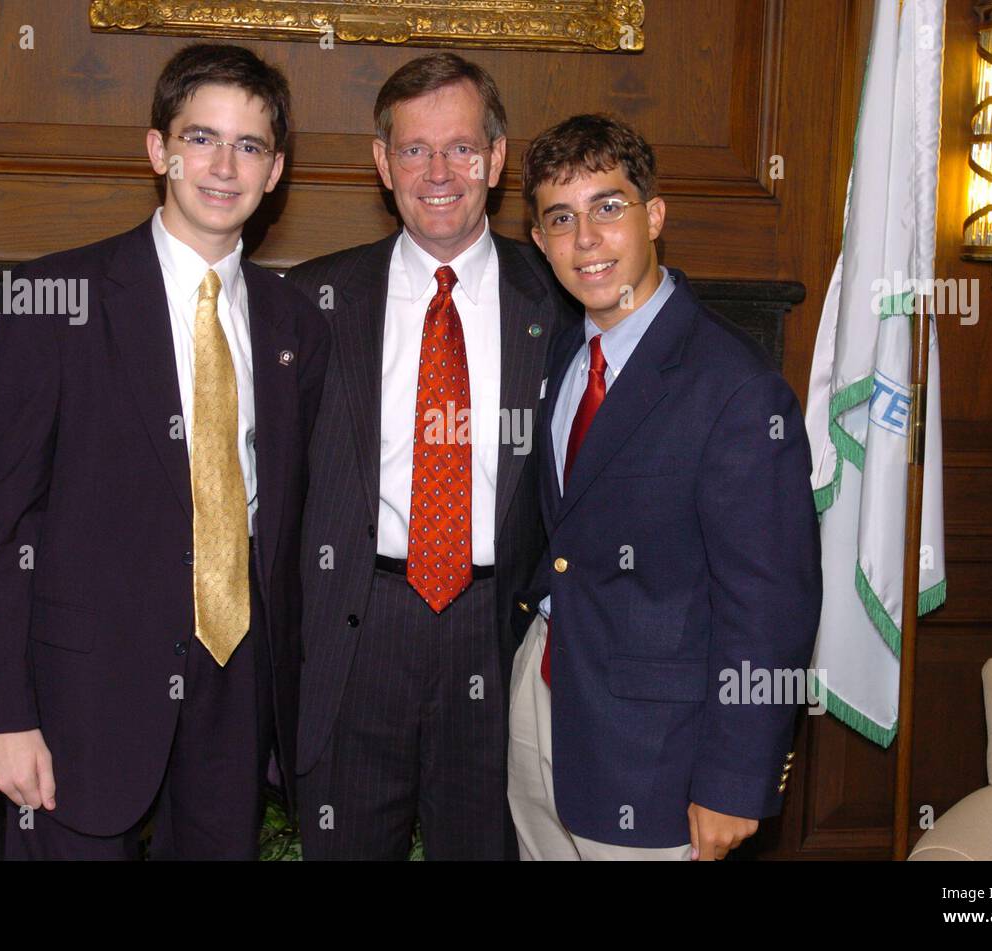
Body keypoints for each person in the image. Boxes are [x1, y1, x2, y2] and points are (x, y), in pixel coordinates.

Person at [0, 43, 330, 859]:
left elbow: (288, 519)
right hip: (80, 697)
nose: (223, 166)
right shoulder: (55, 301)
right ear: (158, 149)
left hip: (236, 691)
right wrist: (2, 711)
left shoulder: (295, 325)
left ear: (275, 173)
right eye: (201, 138)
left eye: (250, 146)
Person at [507, 113, 822, 860]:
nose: (585, 238)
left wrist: (737, 778)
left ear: (653, 215)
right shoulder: (559, 355)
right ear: (542, 240)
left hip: (655, 754)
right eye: (561, 218)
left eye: (608, 207)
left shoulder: (736, 388)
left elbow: (772, 604)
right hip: (541, 705)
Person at [284, 53, 574, 860]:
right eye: (415, 149)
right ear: (383, 163)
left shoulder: (561, 301)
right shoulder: (311, 303)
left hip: (501, 630)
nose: (438, 171)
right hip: (358, 629)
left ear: (497, 156)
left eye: (460, 148)